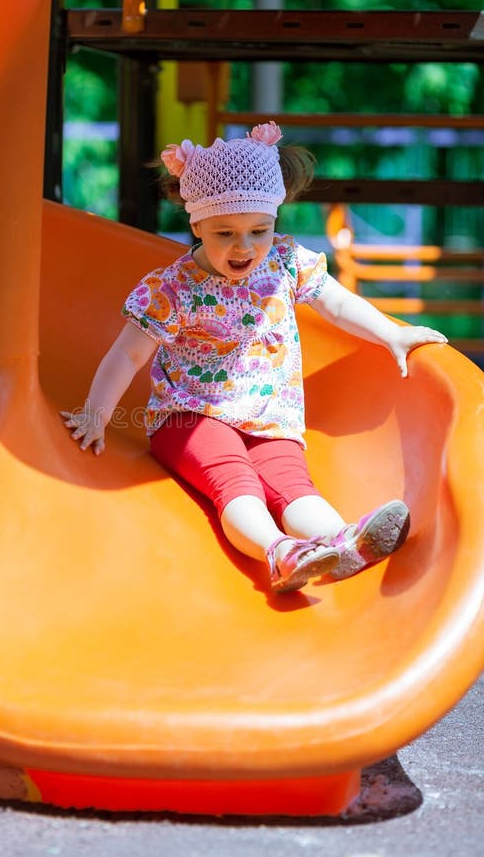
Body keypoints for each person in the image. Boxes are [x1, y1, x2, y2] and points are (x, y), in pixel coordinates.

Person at [61, 122, 447, 593]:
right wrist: (96, 413)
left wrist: (391, 333)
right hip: (189, 417)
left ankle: (343, 543)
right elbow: (126, 355)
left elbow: (337, 303)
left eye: (258, 230)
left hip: (269, 418)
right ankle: (281, 552)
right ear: (196, 224)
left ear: (274, 222)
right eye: (225, 233)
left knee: (292, 485)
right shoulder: (174, 288)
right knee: (236, 480)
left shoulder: (284, 261)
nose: (244, 247)